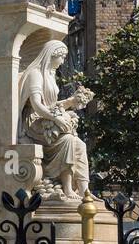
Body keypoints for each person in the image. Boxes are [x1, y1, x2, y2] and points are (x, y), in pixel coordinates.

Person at [17, 40, 92, 201]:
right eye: (62, 57)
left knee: (80, 144)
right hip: (35, 121)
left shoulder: (50, 74)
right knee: (68, 140)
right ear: (51, 55)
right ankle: (66, 187)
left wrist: (71, 102)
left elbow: (51, 105)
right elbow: (37, 105)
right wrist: (56, 119)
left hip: (48, 118)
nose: (63, 61)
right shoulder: (35, 74)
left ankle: (84, 190)